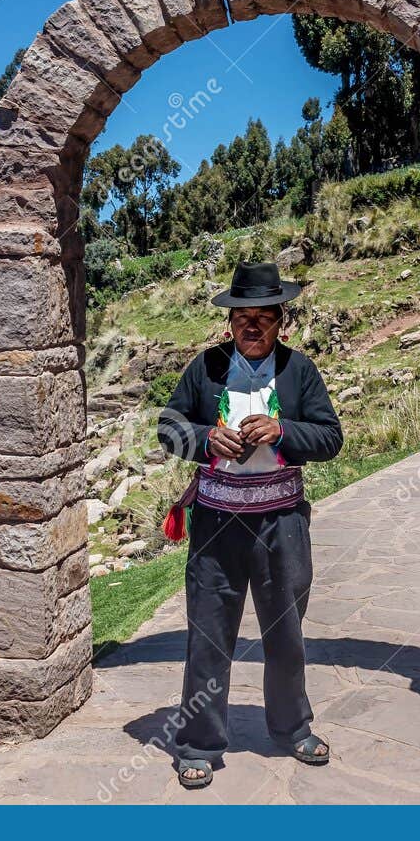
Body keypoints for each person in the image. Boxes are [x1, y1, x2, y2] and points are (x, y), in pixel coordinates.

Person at [157, 261, 343, 790]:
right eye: (244, 317)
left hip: (281, 525)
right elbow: (167, 427)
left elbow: (331, 438)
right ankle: (198, 743)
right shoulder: (206, 368)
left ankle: (292, 727)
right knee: (210, 633)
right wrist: (203, 438)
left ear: (281, 321)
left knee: (284, 633)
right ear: (230, 323)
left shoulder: (299, 371)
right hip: (217, 526)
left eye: (264, 317)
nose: (253, 326)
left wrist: (282, 430)